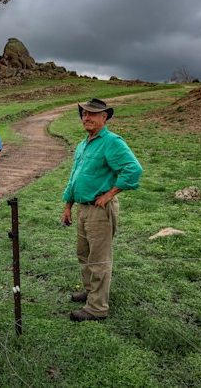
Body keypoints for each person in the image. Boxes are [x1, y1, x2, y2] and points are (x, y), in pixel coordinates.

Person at [61, 98, 142, 322]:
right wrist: (68, 205)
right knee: (84, 254)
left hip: (99, 209)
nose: (86, 117)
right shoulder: (84, 143)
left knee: (99, 258)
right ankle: (90, 292)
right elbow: (74, 177)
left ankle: (97, 307)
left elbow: (133, 170)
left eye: (92, 114)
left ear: (104, 117)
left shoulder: (112, 142)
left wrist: (109, 194)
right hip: (82, 208)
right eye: (84, 114)